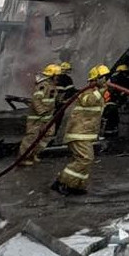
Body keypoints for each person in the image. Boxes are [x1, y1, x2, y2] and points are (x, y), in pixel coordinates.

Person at [52, 65, 110, 196]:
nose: (107, 80)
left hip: (85, 134)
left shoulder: (98, 93)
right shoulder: (88, 91)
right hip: (78, 134)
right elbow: (87, 101)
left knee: (86, 159)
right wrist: (100, 89)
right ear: (97, 79)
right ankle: (62, 182)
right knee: (85, 159)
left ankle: (76, 185)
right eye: (104, 77)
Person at [17, 63, 62, 166]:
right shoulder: (42, 85)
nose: (59, 78)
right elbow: (36, 100)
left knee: (48, 135)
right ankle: (23, 158)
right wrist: (42, 111)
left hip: (47, 117)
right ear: (52, 75)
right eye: (58, 76)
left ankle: (34, 153)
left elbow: (50, 100)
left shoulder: (52, 86)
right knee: (31, 137)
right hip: (37, 117)